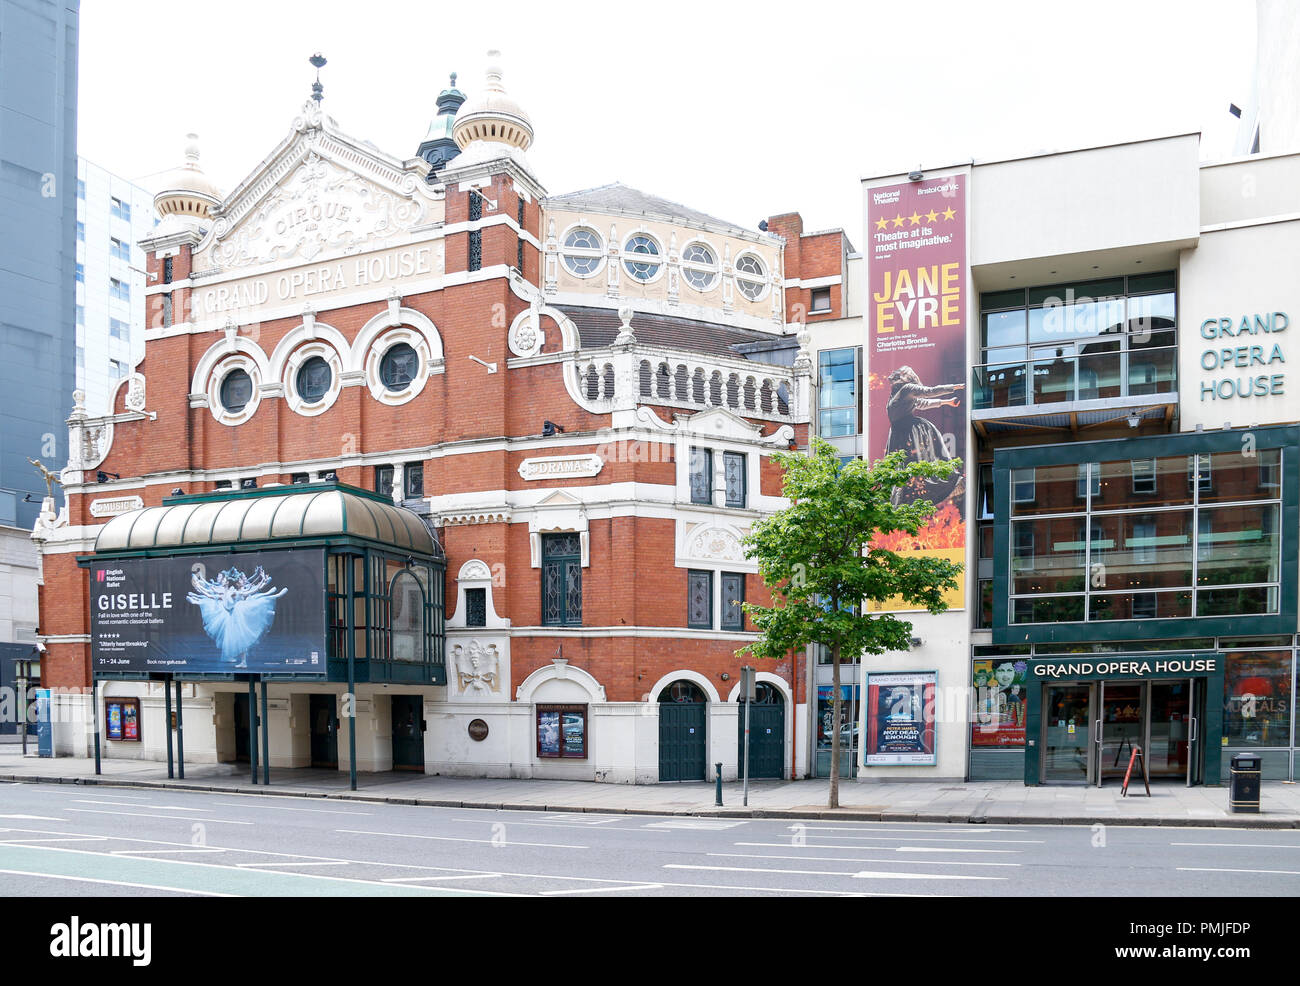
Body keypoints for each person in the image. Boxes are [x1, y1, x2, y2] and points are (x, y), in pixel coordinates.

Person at [885, 366, 964, 506]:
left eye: (902, 374)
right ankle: (902, 497)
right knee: (900, 467)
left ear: (907, 377)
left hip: (908, 430)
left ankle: (941, 480)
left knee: (910, 464)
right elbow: (922, 403)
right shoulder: (898, 392)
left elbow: (929, 393)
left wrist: (954, 387)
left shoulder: (908, 388)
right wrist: (947, 401)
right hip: (898, 432)